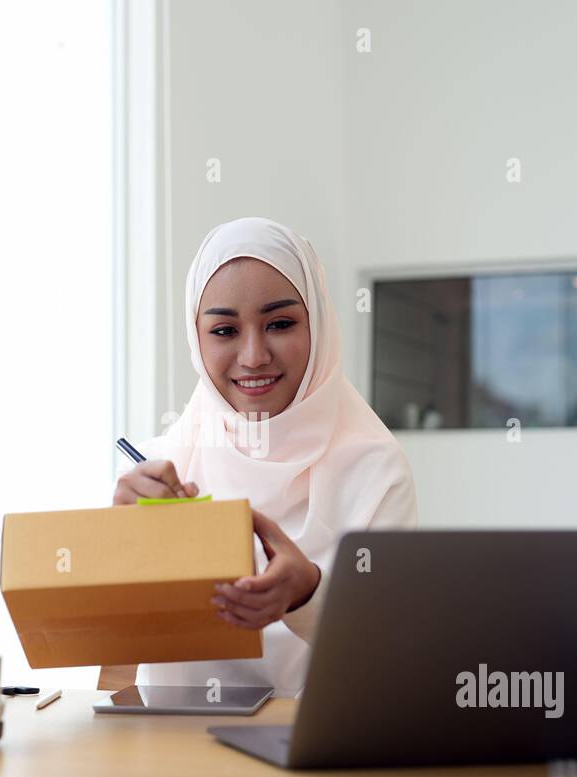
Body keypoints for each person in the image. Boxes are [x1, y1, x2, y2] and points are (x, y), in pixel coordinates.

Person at [113, 216, 418, 697]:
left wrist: (309, 594)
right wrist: (112, 552)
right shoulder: (154, 472)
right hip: (174, 750)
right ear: (197, 338)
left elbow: (394, 662)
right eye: (224, 330)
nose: (253, 355)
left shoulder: (374, 469)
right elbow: (108, 663)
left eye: (279, 323)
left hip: (316, 751)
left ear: (318, 324)